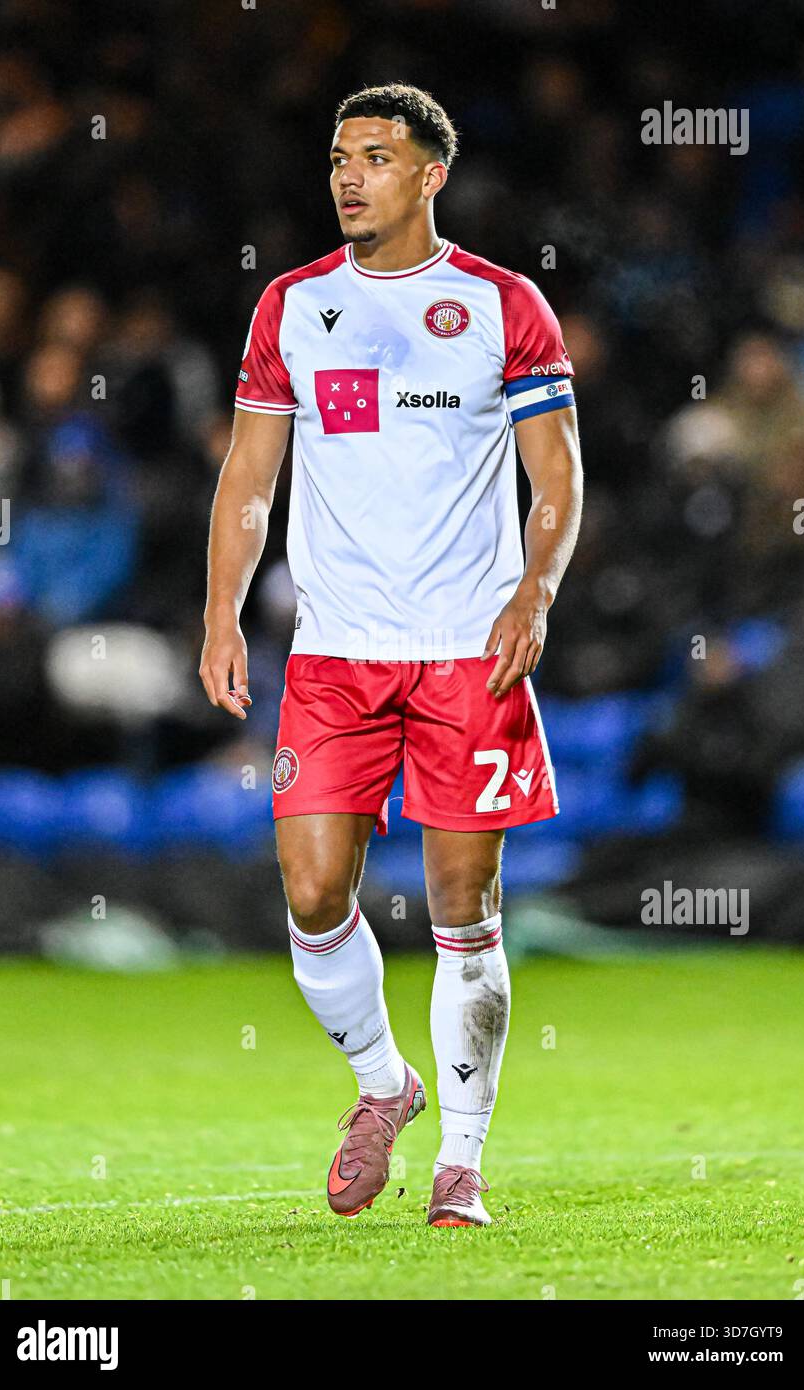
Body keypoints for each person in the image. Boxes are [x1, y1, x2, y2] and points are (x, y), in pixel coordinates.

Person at [200, 84, 583, 1228]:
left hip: (469, 651)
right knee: (314, 890)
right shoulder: (292, 307)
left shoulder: (502, 306)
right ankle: (385, 1086)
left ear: (430, 176)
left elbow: (555, 479)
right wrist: (221, 611)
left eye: (375, 156)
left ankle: (462, 1160)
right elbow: (248, 480)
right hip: (336, 656)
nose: (349, 176)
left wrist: (537, 590)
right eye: (336, 157)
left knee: (463, 902)